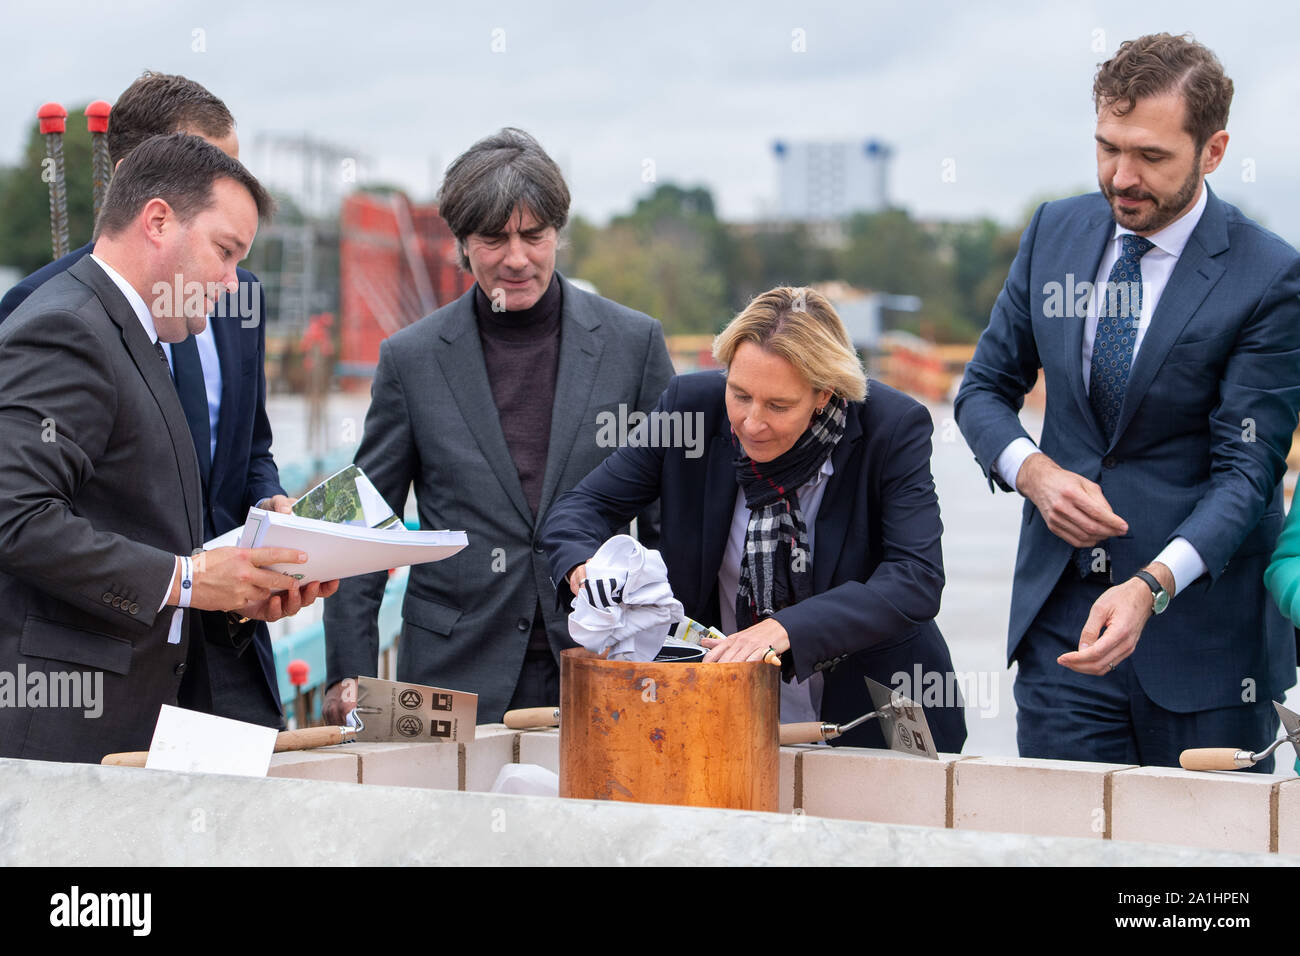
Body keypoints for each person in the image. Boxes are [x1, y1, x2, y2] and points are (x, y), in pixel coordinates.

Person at [954, 33, 1300, 770]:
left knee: (1203, 871)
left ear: (1213, 150)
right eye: (1108, 148)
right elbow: (983, 389)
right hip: (1064, 635)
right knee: (1059, 846)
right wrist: (1034, 473)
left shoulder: (1269, 277)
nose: (1122, 177)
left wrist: (1152, 586)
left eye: (1151, 156)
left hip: (1207, 650)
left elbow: (1247, 471)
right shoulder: (1055, 231)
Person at [0, 133, 335, 764]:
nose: (235, 283)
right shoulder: (66, 329)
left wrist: (239, 590)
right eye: (225, 251)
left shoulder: (136, 332)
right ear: (158, 221)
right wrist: (189, 580)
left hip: (145, 720)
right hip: (69, 737)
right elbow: (14, 517)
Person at [322, 128, 674, 724]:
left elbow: (671, 518)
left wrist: (677, 655)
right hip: (452, 673)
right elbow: (361, 521)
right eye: (494, 239)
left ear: (557, 232)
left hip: (607, 665)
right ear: (462, 243)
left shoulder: (634, 345)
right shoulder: (410, 359)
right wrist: (346, 673)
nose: (517, 258)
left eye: (534, 235)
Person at [541, 287, 968, 752]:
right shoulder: (690, 410)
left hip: (871, 710)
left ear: (824, 393)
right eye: (739, 394)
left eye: (778, 406)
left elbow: (916, 576)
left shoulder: (893, 427)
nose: (750, 423)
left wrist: (788, 627)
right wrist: (584, 569)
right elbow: (580, 509)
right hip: (725, 711)